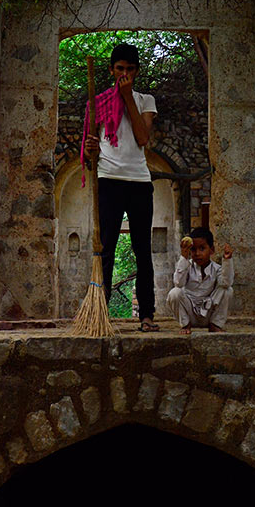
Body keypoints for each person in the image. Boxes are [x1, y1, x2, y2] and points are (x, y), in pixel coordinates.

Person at [79, 40, 160, 330]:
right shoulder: (97, 103)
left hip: (139, 181)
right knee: (106, 247)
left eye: (129, 69)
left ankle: (147, 314)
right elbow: (91, 152)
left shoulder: (145, 101)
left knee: (142, 247)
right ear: (112, 70)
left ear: (136, 71)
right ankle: (101, 313)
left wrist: (127, 97)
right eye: (119, 69)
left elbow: (142, 137)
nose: (124, 73)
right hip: (108, 180)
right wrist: (90, 148)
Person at [167, 226, 230, 331]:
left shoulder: (217, 269)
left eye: (202, 249)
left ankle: (215, 324)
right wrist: (184, 257)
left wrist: (227, 261)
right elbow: (178, 283)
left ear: (211, 250)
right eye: (193, 250)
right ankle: (185, 325)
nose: (197, 254)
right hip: (190, 314)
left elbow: (226, 283)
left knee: (227, 290)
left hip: (209, 315)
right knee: (174, 293)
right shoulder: (187, 265)